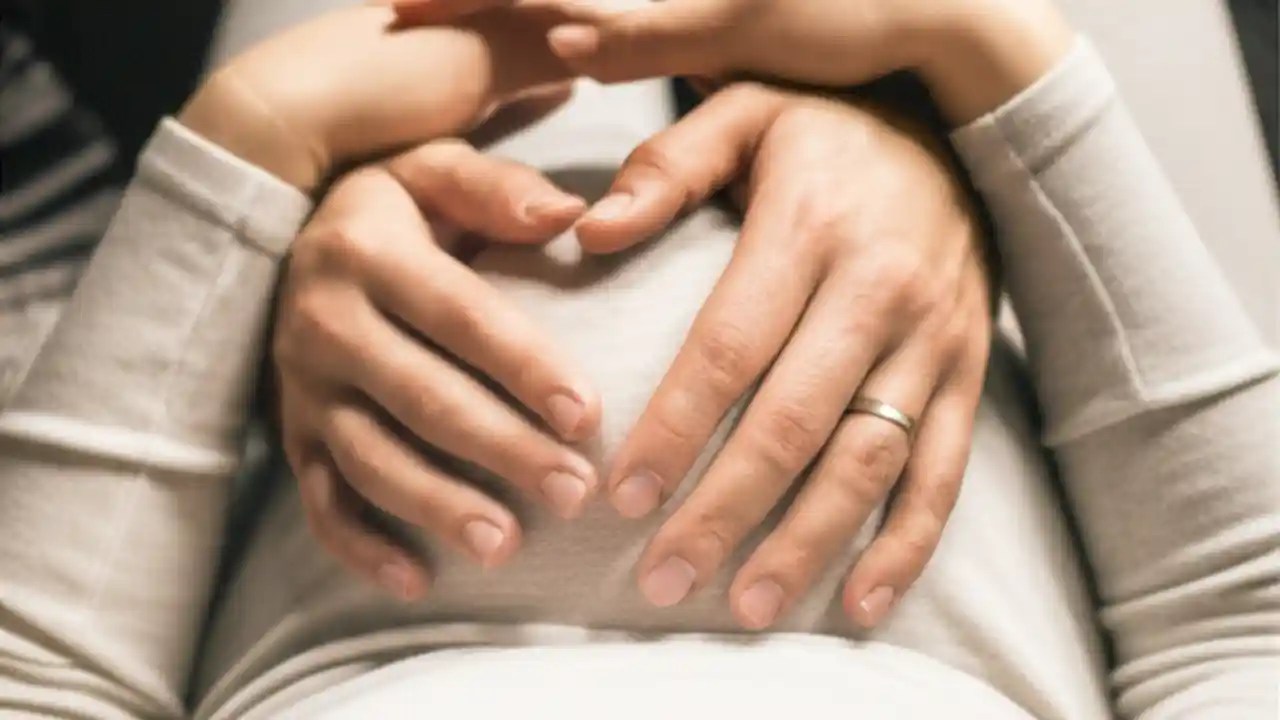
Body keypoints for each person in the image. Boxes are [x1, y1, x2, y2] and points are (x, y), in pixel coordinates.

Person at [1, 2, 1276, 720]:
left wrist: (254, 149)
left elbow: (44, 683)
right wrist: (981, 63)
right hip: (1051, 398)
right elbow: (1240, 637)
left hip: (328, 284)